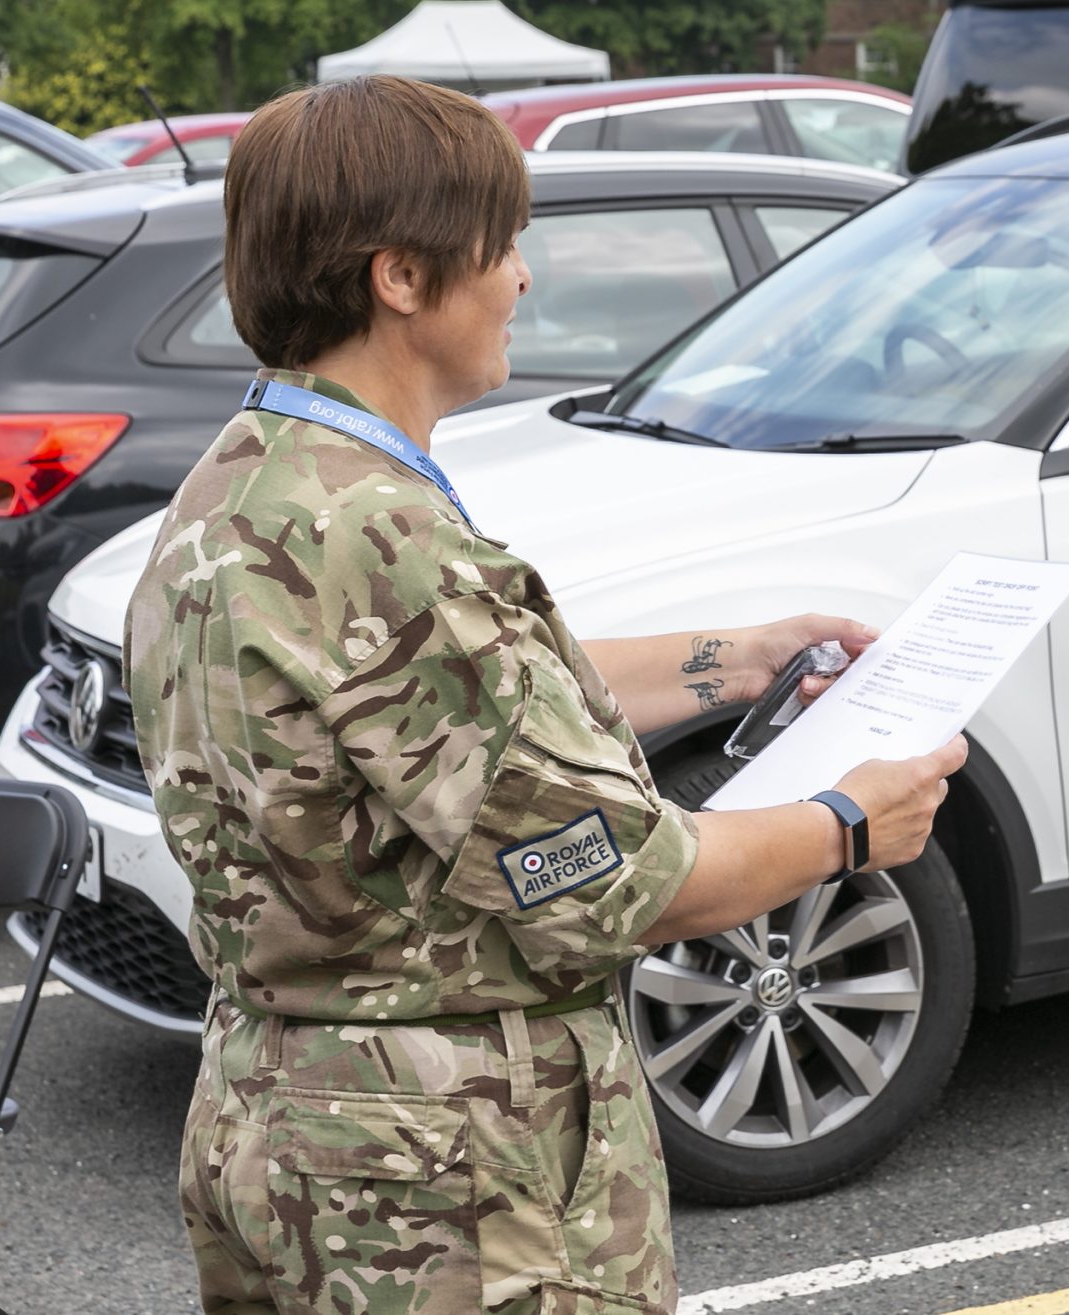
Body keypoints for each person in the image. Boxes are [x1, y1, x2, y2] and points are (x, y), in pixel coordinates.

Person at [122, 76, 966, 1314]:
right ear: (400, 277)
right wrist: (848, 825)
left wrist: (734, 657)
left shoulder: (250, 481)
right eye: (502, 244)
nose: (521, 277)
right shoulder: (389, 541)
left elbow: (443, 703)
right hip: (442, 1169)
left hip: (276, 1109)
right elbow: (634, 882)